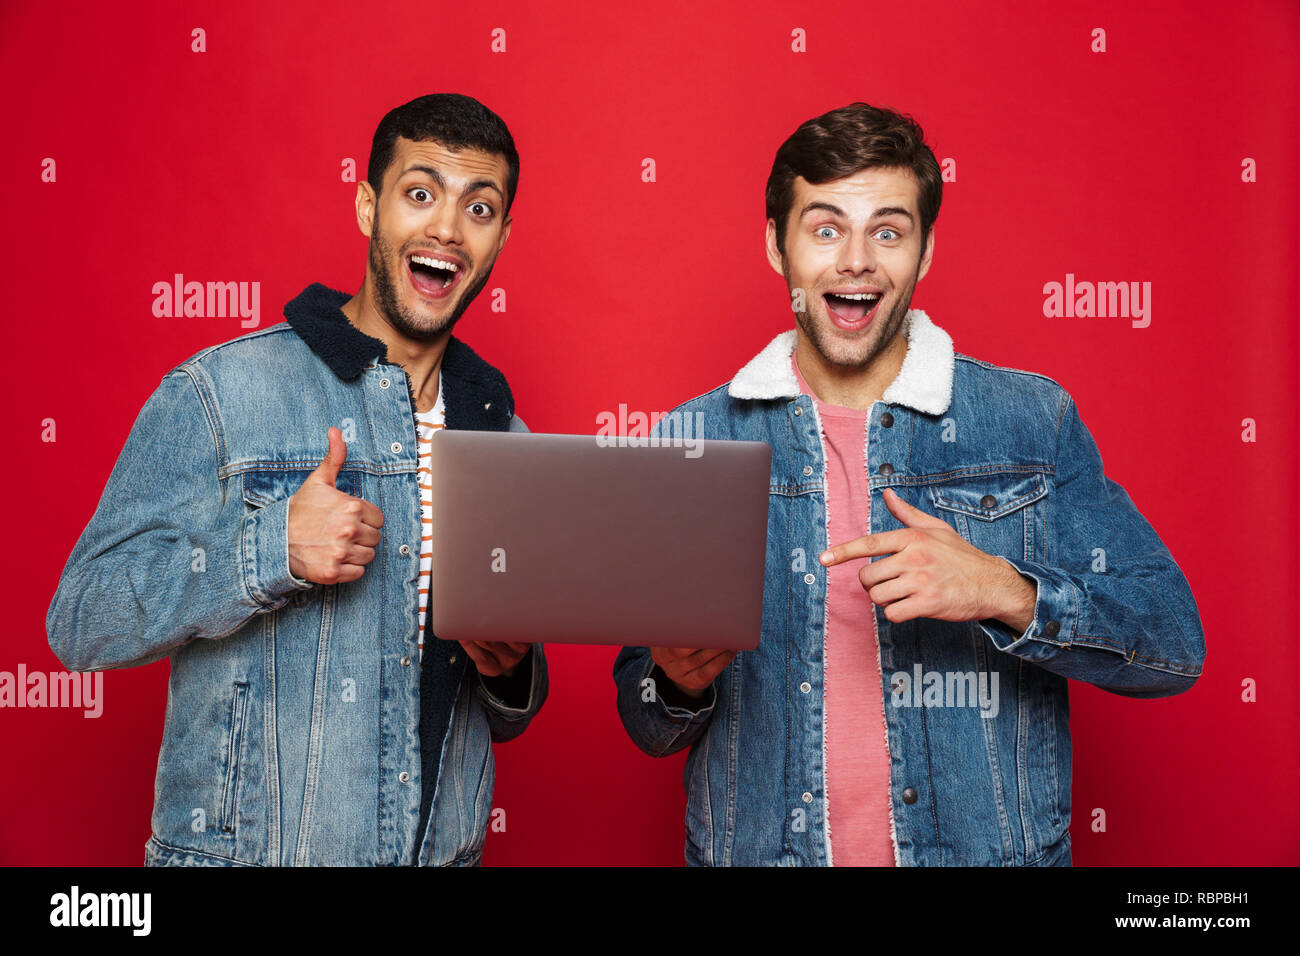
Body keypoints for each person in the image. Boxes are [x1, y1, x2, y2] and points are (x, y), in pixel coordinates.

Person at [613, 102, 1205, 866]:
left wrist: (1005, 590)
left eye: (887, 231)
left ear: (923, 253)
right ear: (777, 247)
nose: (856, 260)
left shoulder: (1031, 422)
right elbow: (645, 719)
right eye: (825, 229)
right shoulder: (691, 440)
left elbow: (1171, 646)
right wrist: (675, 684)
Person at [46, 92, 547, 866]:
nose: (446, 228)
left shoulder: (502, 434)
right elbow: (81, 620)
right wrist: (267, 546)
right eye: (420, 194)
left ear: (502, 237)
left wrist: (511, 667)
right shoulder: (222, 393)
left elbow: (496, 715)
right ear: (367, 206)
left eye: (478, 208)